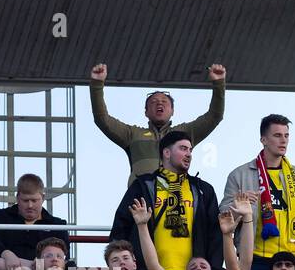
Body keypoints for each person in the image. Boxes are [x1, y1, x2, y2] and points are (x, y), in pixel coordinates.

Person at [109, 131, 222, 270]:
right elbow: (122, 225)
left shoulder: (203, 190)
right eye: (183, 148)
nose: (188, 154)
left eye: (190, 150)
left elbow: (215, 232)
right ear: (166, 153)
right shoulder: (143, 185)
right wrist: (117, 266)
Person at [221, 113, 295, 270]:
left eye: (286, 135)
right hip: (253, 261)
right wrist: (237, 208)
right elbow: (224, 217)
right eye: (277, 135)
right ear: (263, 140)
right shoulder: (239, 175)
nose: (283, 140)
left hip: (290, 261)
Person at [89, 62, 227, 181]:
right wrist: (97, 83)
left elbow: (214, 116)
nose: (159, 104)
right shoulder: (132, 134)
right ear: (146, 112)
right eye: (154, 102)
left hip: (175, 202)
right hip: (142, 202)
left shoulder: (184, 133)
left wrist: (219, 83)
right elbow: (102, 119)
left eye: (164, 102)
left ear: (172, 111)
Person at [0, 174, 70, 270]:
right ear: (17, 197)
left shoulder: (57, 224)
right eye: (25, 200)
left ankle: (40, 267)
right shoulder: (2, 216)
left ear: (42, 198)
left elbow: (65, 253)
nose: (30, 205)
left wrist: (41, 262)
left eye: (34, 200)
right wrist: (6, 253)